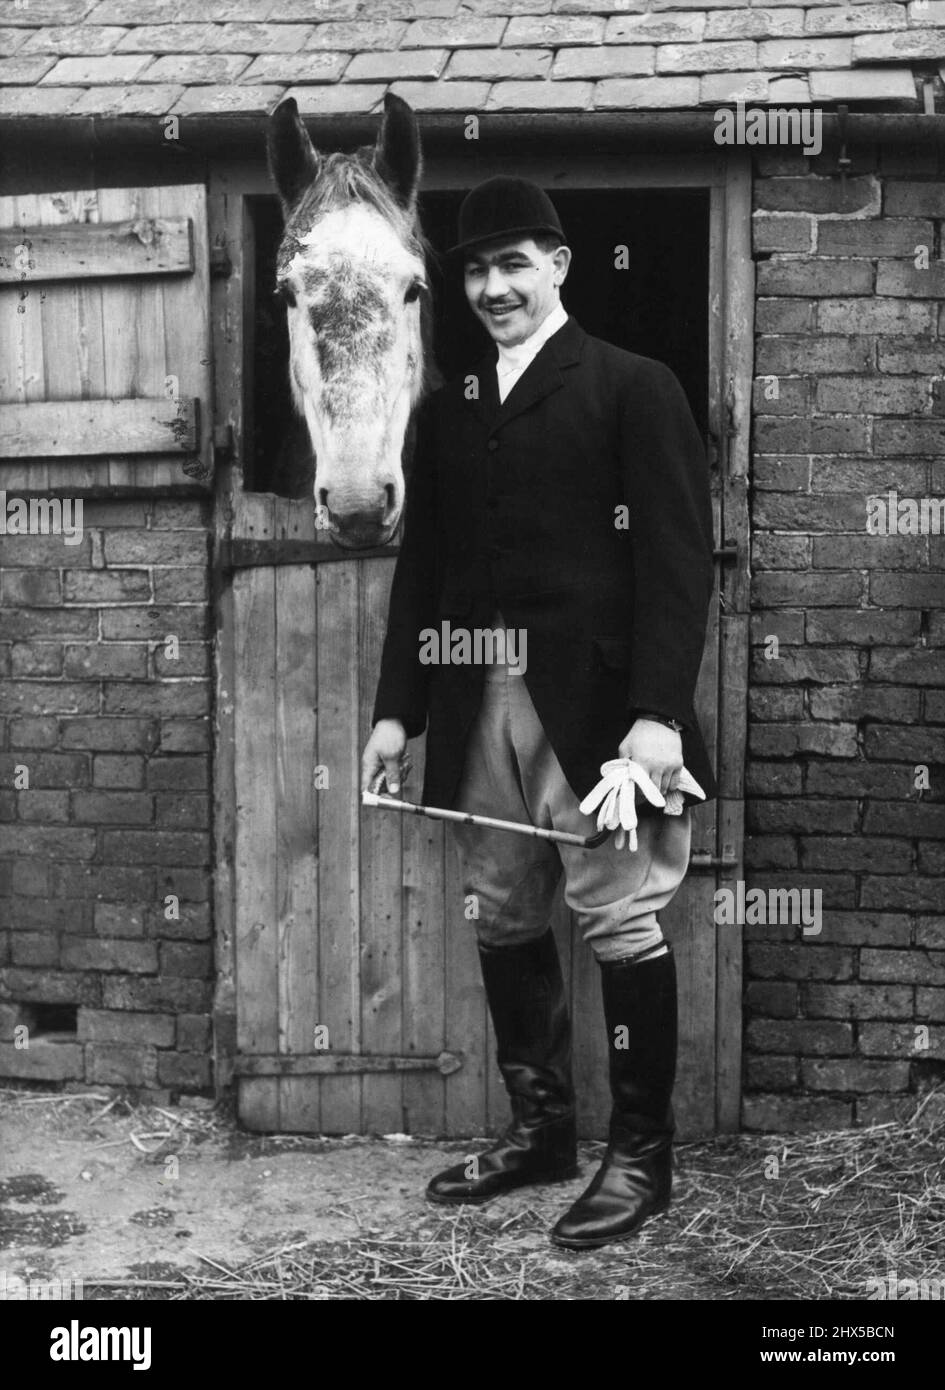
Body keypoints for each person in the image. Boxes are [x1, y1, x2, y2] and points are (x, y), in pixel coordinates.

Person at [361, 176, 716, 1250]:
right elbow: (422, 571)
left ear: (558, 266)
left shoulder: (632, 386)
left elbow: (677, 561)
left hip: (600, 718)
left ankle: (641, 1156)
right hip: (479, 705)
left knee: (620, 917)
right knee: (504, 912)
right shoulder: (448, 410)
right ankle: (542, 1131)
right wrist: (396, 715)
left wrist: (657, 716)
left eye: (514, 263)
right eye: (475, 269)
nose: (494, 287)